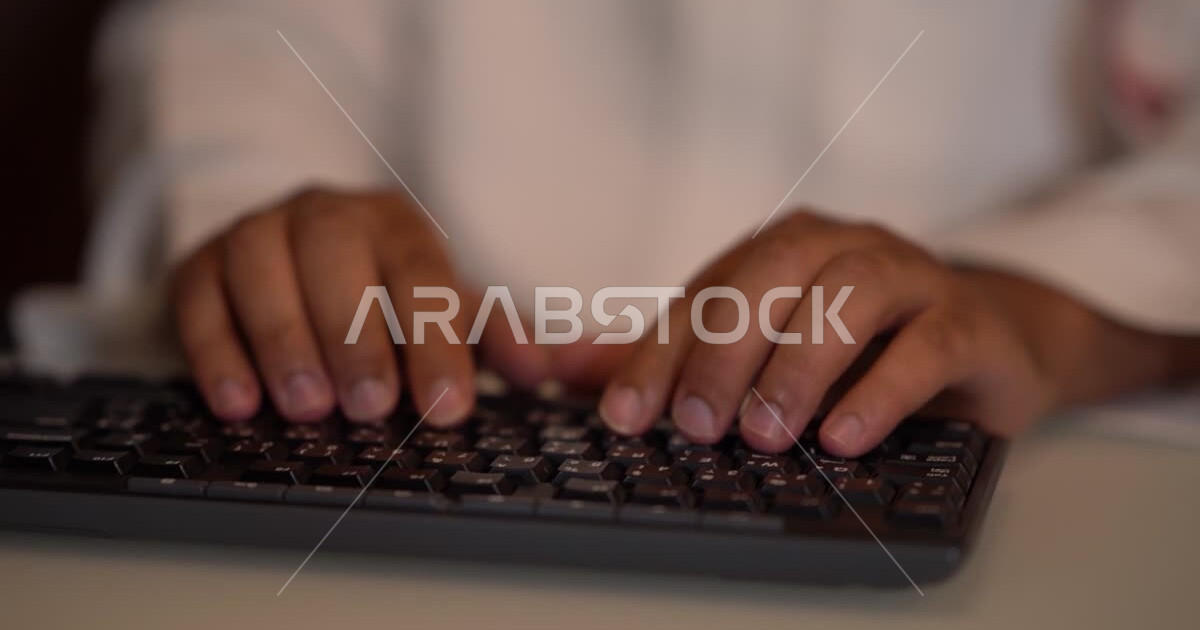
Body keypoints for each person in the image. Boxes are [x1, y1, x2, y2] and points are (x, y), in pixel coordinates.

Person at [80, 0, 1200, 457]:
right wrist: (265, 217)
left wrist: (1062, 305)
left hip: (1026, 428)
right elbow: (244, 29)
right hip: (409, 420)